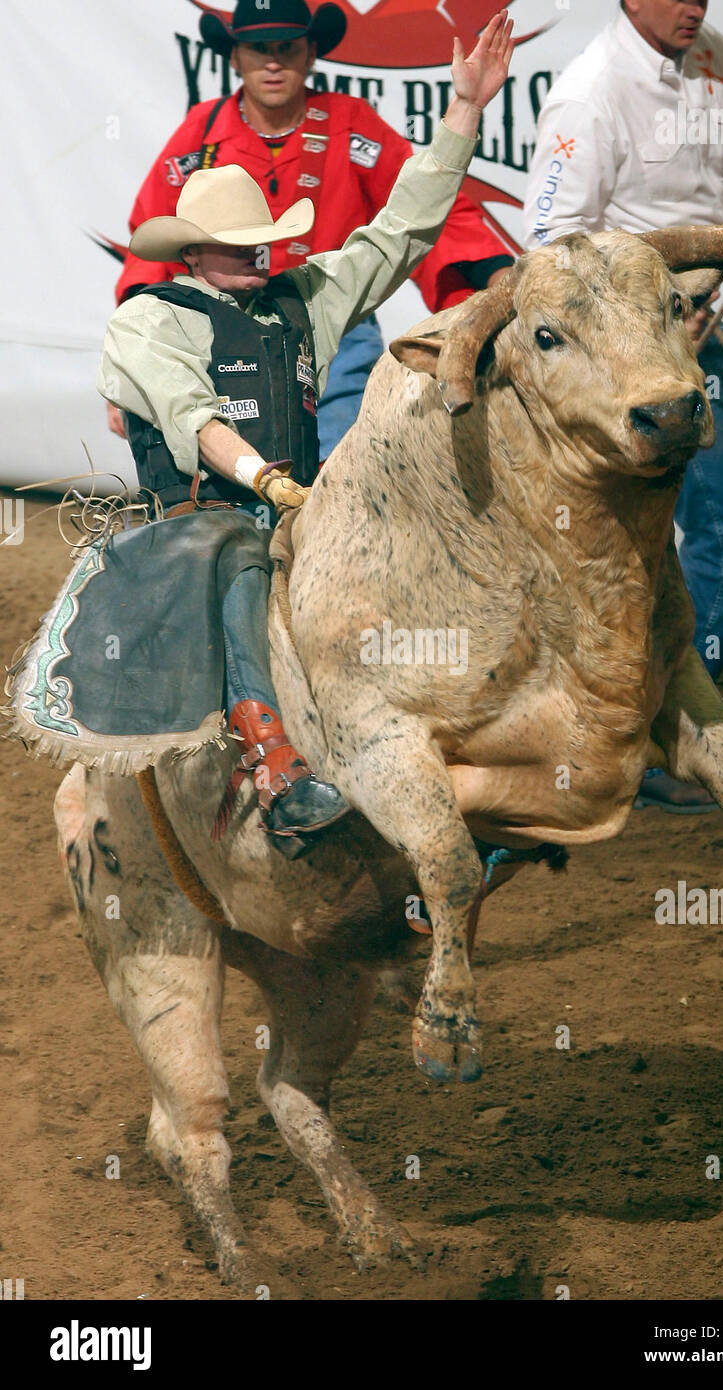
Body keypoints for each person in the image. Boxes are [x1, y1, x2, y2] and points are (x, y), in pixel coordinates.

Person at [97, 10, 515, 853]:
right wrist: (267, 483)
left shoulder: (301, 299)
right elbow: (195, 422)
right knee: (244, 564)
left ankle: (466, 760)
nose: (263, 257)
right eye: (246, 247)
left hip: (289, 505)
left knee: (413, 560)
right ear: (196, 251)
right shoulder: (149, 322)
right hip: (202, 522)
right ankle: (273, 765)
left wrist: (464, 113)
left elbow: (400, 231)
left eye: (265, 244)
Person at [523, 0, 723, 811]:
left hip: (691, 324)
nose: (694, 6)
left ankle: (651, 648)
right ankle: (661, 731)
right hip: (638, 343)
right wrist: (642, 306)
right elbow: (551, 243)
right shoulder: (589, 93)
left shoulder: (709, 55)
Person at [107, 0, 513, 458]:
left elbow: (418, 213)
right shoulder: (201, 133)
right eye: (259, 49)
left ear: (311, 53)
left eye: (288, 47)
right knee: (228, 479)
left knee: (336, 473)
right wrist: (133, 368)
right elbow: (151, 242)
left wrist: (500, 283)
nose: (274, 61)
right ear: (236, 57)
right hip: (214, 328)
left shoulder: (350, 122)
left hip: (327, 315)